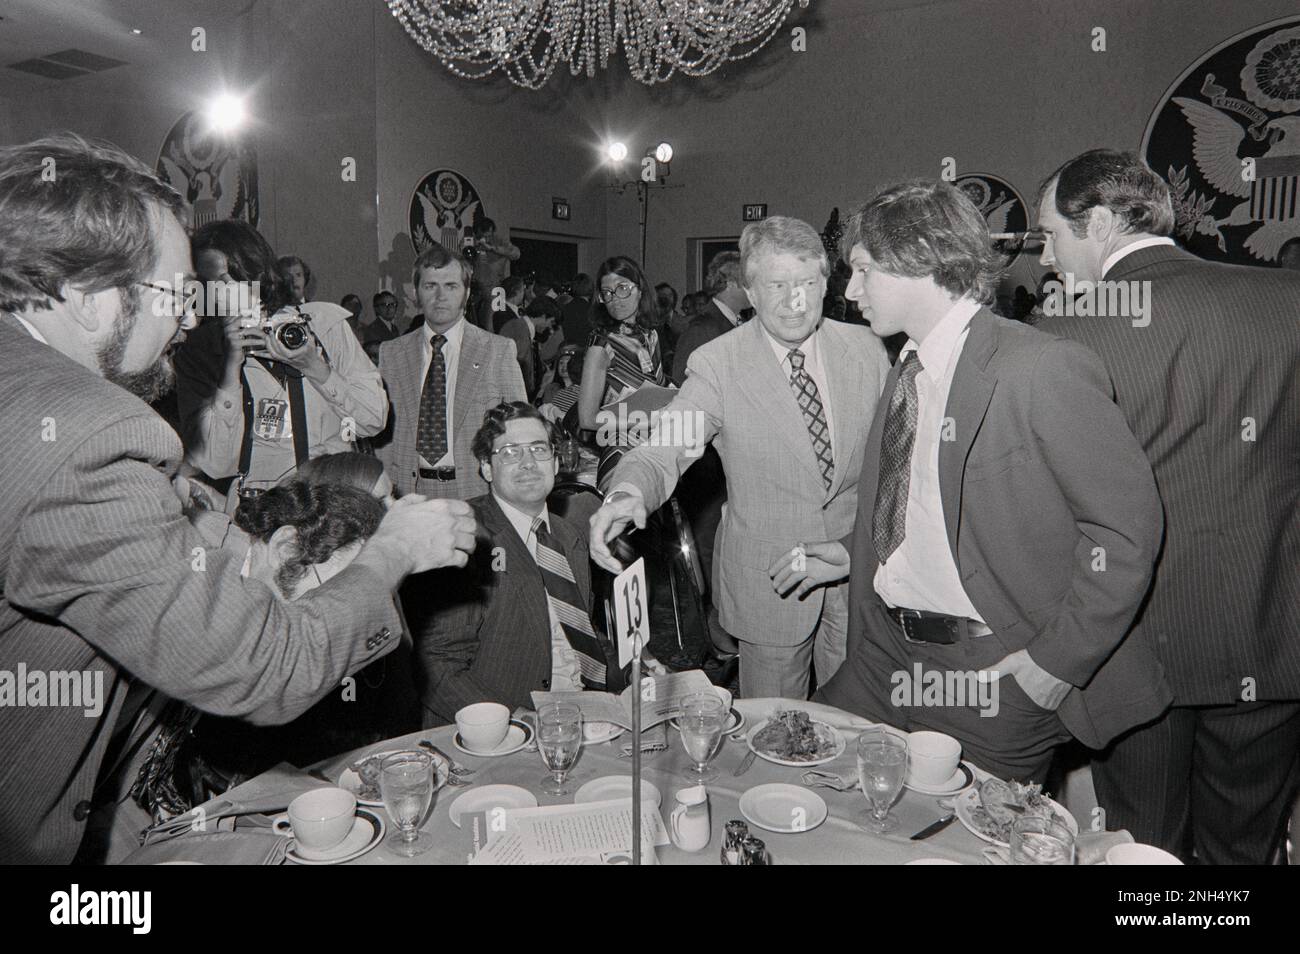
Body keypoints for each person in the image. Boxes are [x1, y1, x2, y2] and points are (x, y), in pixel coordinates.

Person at [0, 133, 477, 863]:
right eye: (176, 295)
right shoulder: (90, 434)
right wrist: (392, 551)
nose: (192, 319)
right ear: (91, 301)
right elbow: (265, 666)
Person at [780, 179, 1168, 782]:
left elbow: (1125, 534)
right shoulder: (907, 364)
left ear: (918, 260)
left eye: (862, 270)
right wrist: (858, 554)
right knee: (816, 786)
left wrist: (1054, 664)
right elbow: (924, 501)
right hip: (883, 650)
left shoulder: (1040, 368)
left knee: (963, 841)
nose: (849, 291)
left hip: (991, 670)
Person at [1036, 149, 1300, 862]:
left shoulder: (1064, 337)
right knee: (1244, 850)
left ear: (1094, 224)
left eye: (1050, 238)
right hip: (1274, 636)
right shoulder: (1287, 302)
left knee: (1144, 849)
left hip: (1134, 650)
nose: (1046, 260)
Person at [590, 217, 891, 698]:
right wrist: (629, 491)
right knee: (771, 730)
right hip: (769, 582)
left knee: (849, 724)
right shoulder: (719, 364)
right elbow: (670, 441)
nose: (794, 301)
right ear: (749, 290)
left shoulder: (867, 349)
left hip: (854, 576)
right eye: (776, 285)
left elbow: (895, 463)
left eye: (806, 283)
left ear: (826, 283)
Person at [416, 403, 625, 725]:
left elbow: (577, 627)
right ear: (487, 467)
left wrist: (633, 670)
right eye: (510, 452)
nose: (528, 463)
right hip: (503, 719)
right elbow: (436, 663)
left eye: (538, 450)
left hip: (583, 706)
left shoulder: (569, 533)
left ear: (556, 462)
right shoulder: (464, 538)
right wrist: (512, 718)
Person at [175, 220, 388, 507]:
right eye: (210, 283)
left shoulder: (323, 323)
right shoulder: (200, 352)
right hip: (261, 510)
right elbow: (215, 464)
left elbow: (372, 421)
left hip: (336, 502)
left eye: (234, 277)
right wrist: (230, 374)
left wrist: (313, 365)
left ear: (257, 270)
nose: (225, 291)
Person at [373, 242, 526, 501]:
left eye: (451, 286)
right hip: (408, 493)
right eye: (430, 286)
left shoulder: (497, 351)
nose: (440, 296)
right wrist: (386, 494)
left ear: (467, 293)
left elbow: (518, 431)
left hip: (475, 492)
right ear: (416, 294)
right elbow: (383, 433)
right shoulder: (391, 353)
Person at [576, 256, 671, 474]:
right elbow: (587, 419)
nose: (614, 299)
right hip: (622, 453)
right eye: (606, 292)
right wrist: (646, 418)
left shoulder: (652, 335)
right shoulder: (601, 343)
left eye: (622, 288)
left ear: (641, 290)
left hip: (656, 449)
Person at [671, 251, 748, 387]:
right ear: (730, 284)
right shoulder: (701, 329)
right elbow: (682, 384)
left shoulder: (742, 324)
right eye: (748, 282)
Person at [502, 296, 560, 399]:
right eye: (551, 322)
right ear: (543, 316)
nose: (550, 327)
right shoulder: (521, 333)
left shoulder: (515, 325)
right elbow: (520, 371)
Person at [469, 217, 520, 330]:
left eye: (489, 236)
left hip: (495, 288)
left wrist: (493, 248)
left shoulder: (499, 241)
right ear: (476, 233)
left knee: (494, 324)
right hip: (475, 289)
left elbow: (516, 254)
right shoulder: (470, 242)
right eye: (482, 236)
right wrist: (473, 245)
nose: (486, 239)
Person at [361, 290, 403, 362]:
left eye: (392, 304)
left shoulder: (394, 328)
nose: (389, 308)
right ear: (377, 309)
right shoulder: (372, 329)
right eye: (384, 305)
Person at [560, 273, 594, 352]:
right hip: (586, 353)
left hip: (568, 352)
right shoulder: (593, 311)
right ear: (591, 289)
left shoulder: (565, 308)